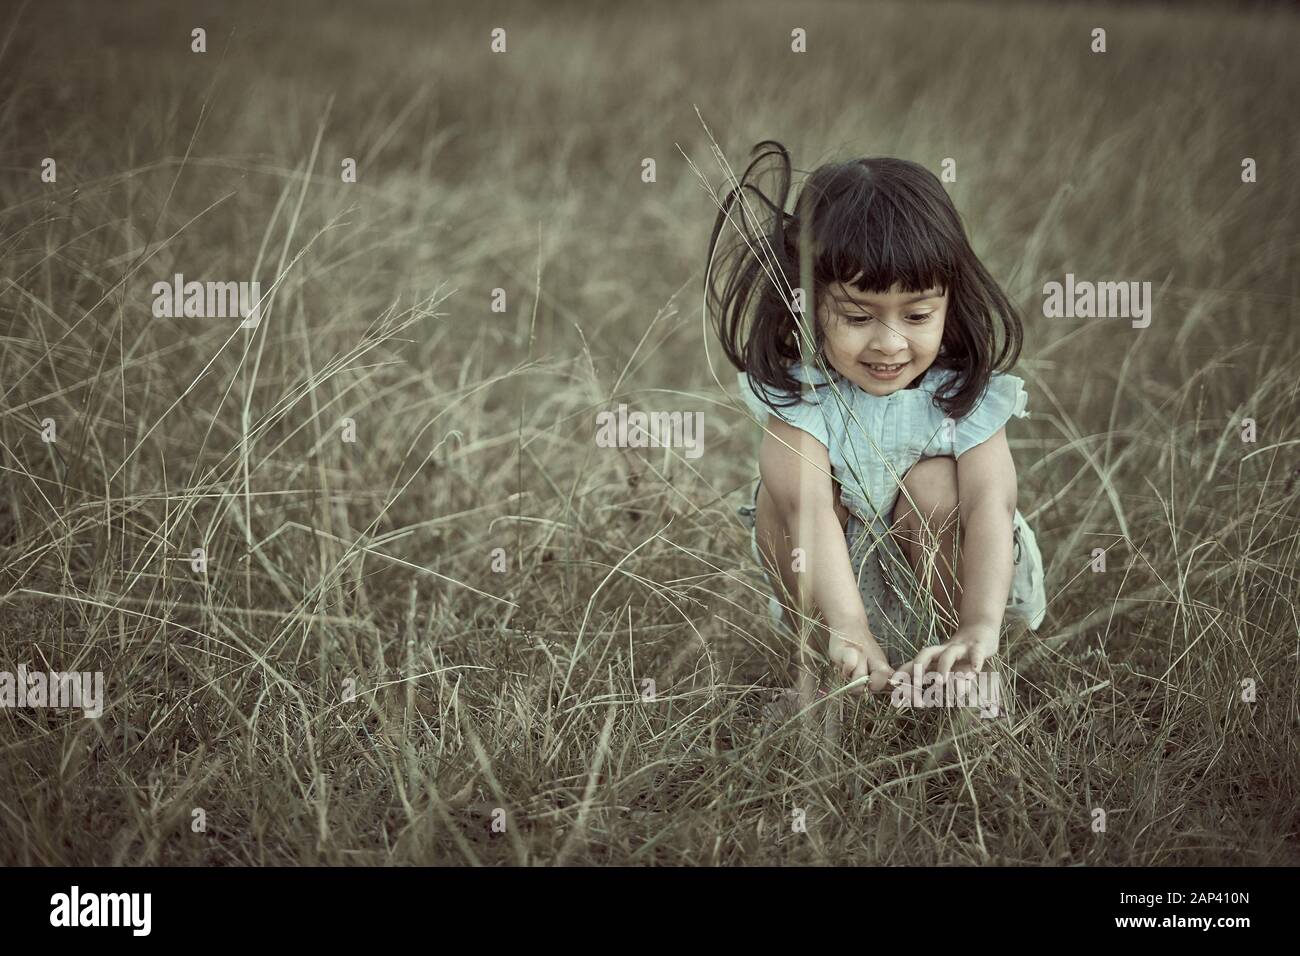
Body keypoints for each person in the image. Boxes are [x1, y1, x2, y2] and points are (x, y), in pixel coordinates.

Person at [706, 140, 1047, 705]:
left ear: (948, 303)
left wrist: (979, 625)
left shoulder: (963, 394)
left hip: (961, 588)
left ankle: (961, 672)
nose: (889, 343)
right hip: (840, 595)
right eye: (858, 316)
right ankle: (835, 672)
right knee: (778, 496)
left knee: (935, 485)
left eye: (917, 315)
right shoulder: (801, 398)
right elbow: (807, 510)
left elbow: (992, 506)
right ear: (810, 303)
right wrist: (846, 624)